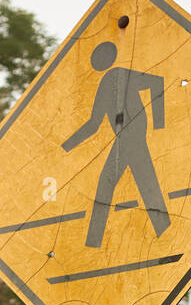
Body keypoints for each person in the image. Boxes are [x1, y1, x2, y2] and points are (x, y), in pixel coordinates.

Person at [62, 42, 172, 249]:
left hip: (133, 136)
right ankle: (165, 232)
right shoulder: (106, 83)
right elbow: (94, 124)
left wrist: (159, 126)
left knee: (109, 184)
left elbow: (157, 82)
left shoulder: (120, 75)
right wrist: (66, 147)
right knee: (146, 184)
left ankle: (93, 243)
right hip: (125, 138)